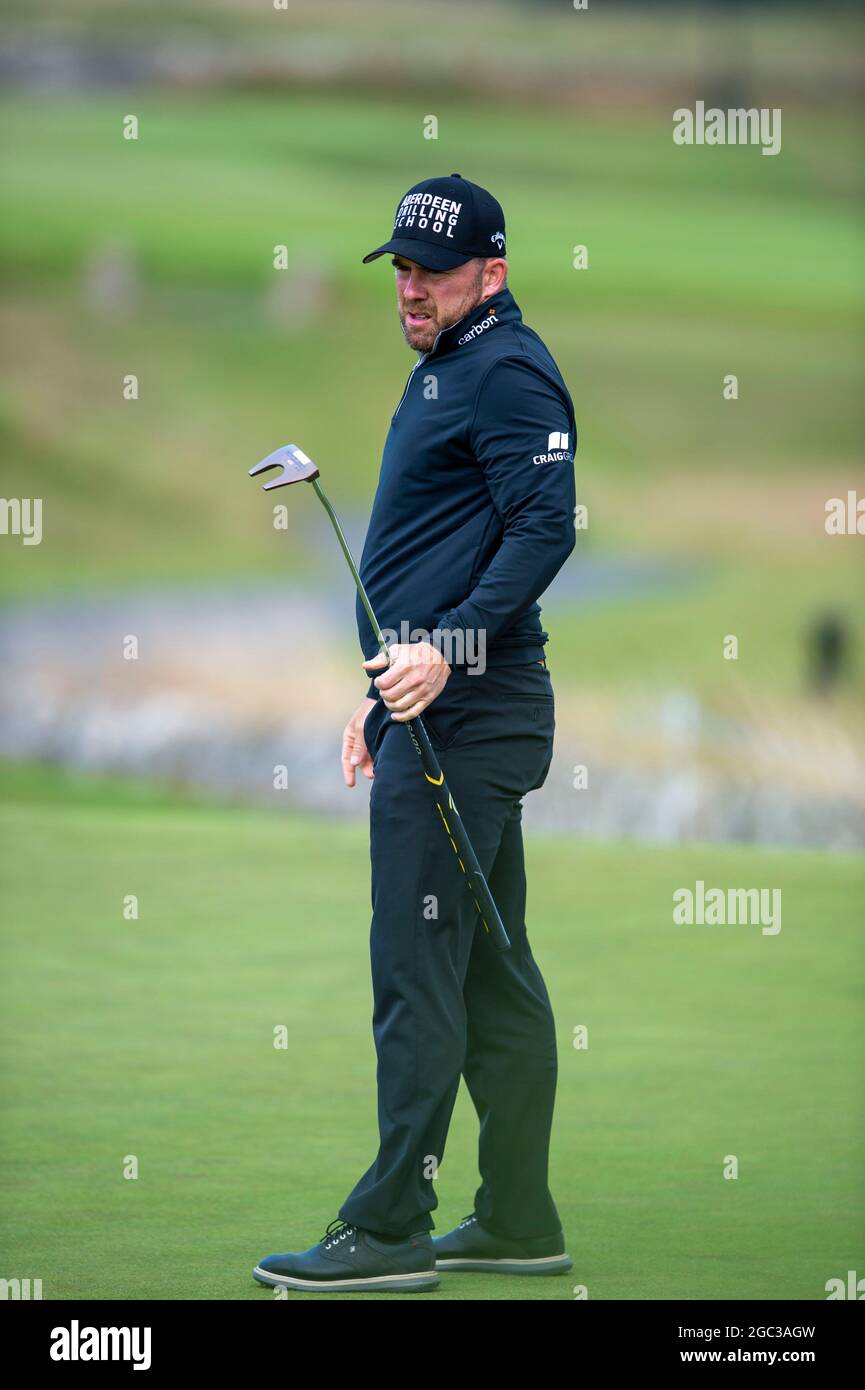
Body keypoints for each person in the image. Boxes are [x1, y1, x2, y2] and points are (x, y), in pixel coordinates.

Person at [254, 174, 577, 1293]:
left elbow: (547, 525)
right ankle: (520, 1216)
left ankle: (391, 1224)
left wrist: (446, 649)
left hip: (471, 719)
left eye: (432, 273)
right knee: (487, 966)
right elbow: (441, 550)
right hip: (434, 710)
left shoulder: (506, 367)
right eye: (398, 269)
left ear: (491, 272)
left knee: (416, 972)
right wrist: (379, 687)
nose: (410, 289)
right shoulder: (450, 366)